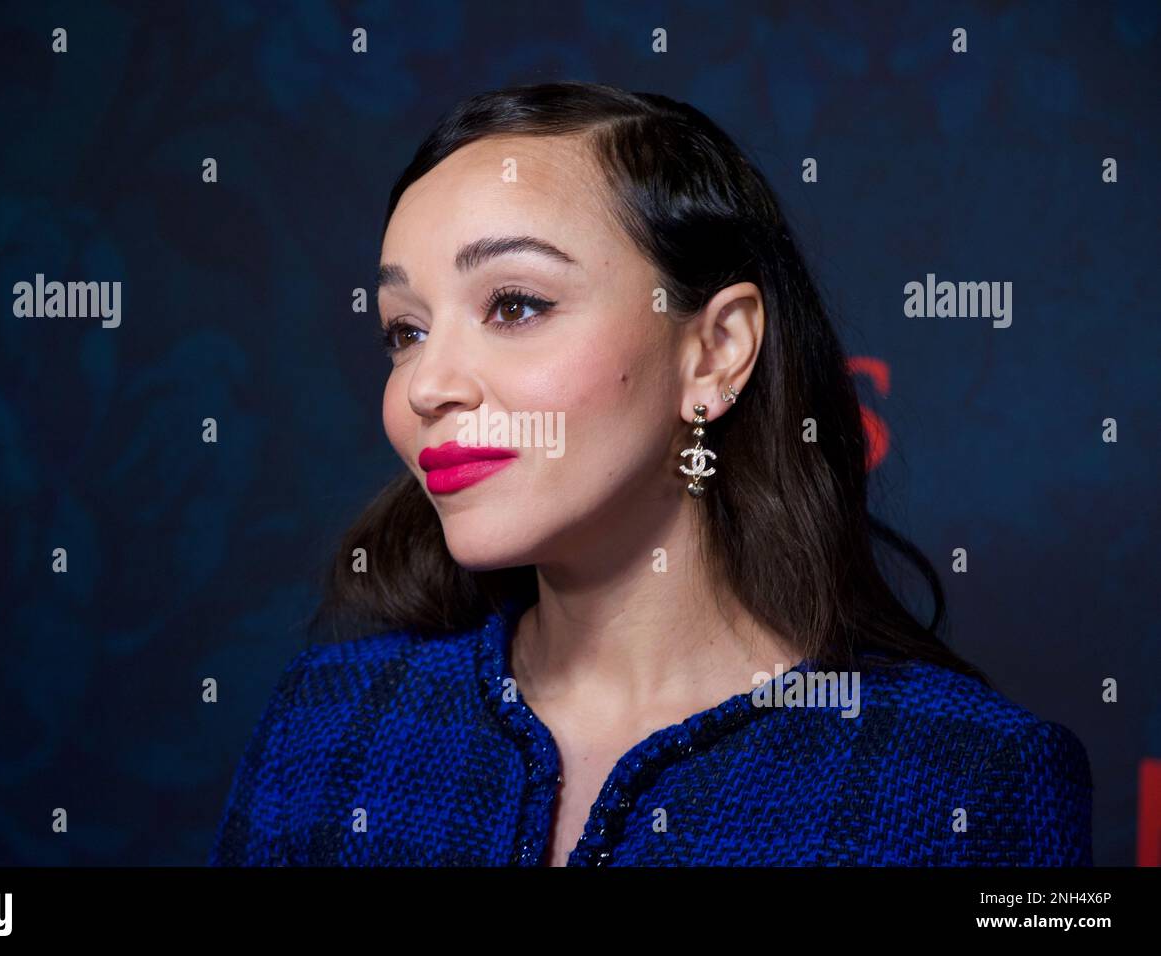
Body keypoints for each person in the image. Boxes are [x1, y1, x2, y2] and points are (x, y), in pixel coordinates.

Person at [209, 81, 1092, 866]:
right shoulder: (327, 724)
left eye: (515, 305)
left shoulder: (968, 775)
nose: (428, 386)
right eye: (406, 330)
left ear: (715, 350)